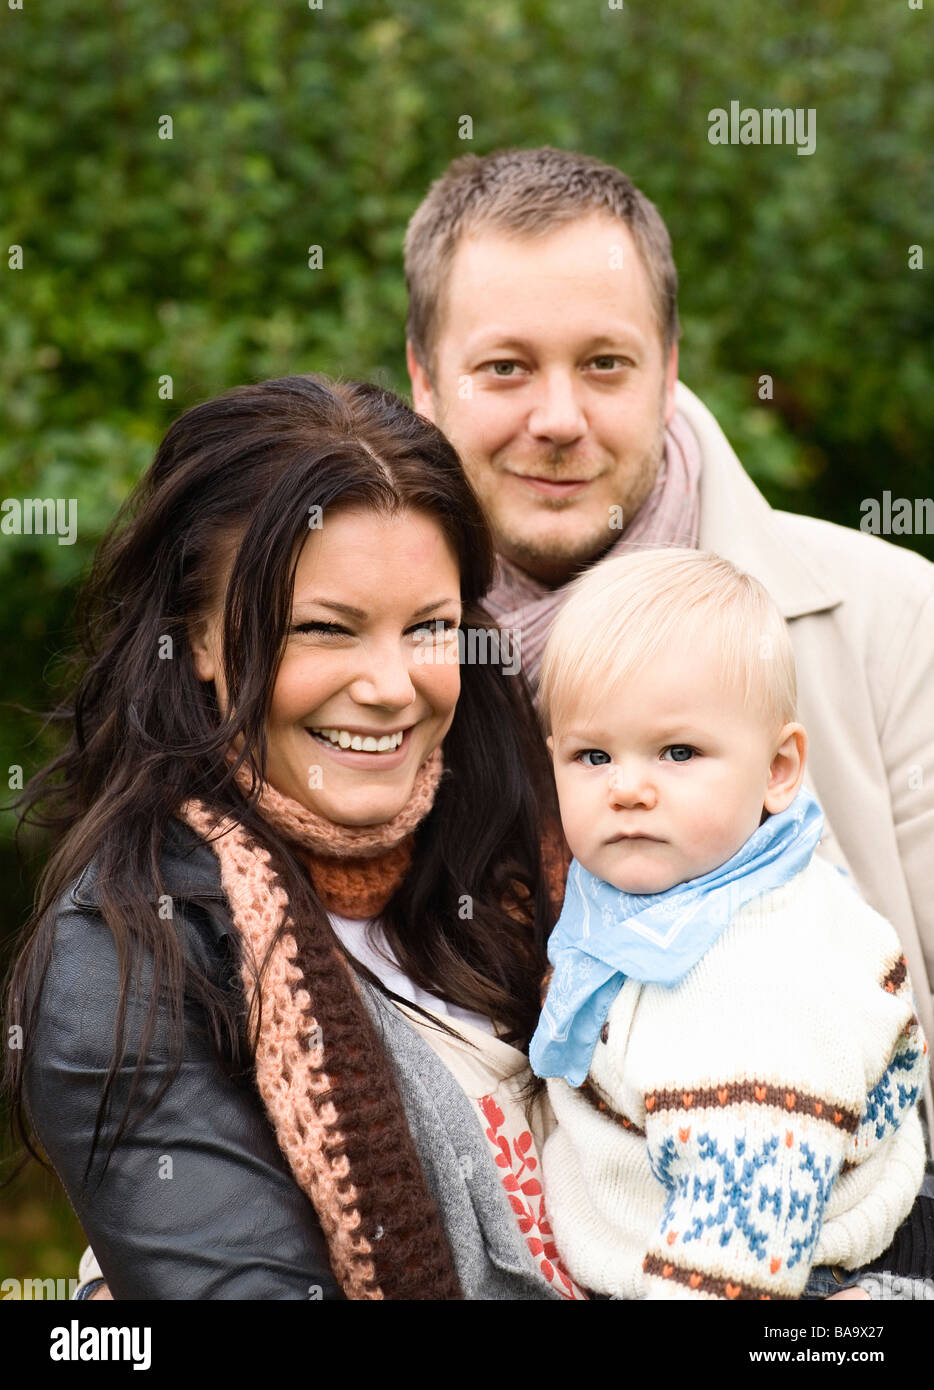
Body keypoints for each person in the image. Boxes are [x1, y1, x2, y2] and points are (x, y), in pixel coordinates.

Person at [2, 374, 583, 1301]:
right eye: (324, 630)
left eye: (428, 627)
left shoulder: (558, 847)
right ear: (196, 639)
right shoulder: (122, 957)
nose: (392, 685)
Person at [403, 147, 934, 1136]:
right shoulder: (346, 676)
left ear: (668, 369)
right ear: (425, 382)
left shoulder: (899, 625)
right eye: (505, 368)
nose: (557, 419)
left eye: (604, 364)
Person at [528, 548, 928, 1301]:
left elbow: (740, 1254)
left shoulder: (750, 989)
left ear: (779, 769)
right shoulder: (689, 887)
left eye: (678, 752)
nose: (629, 788)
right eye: (592, 755)